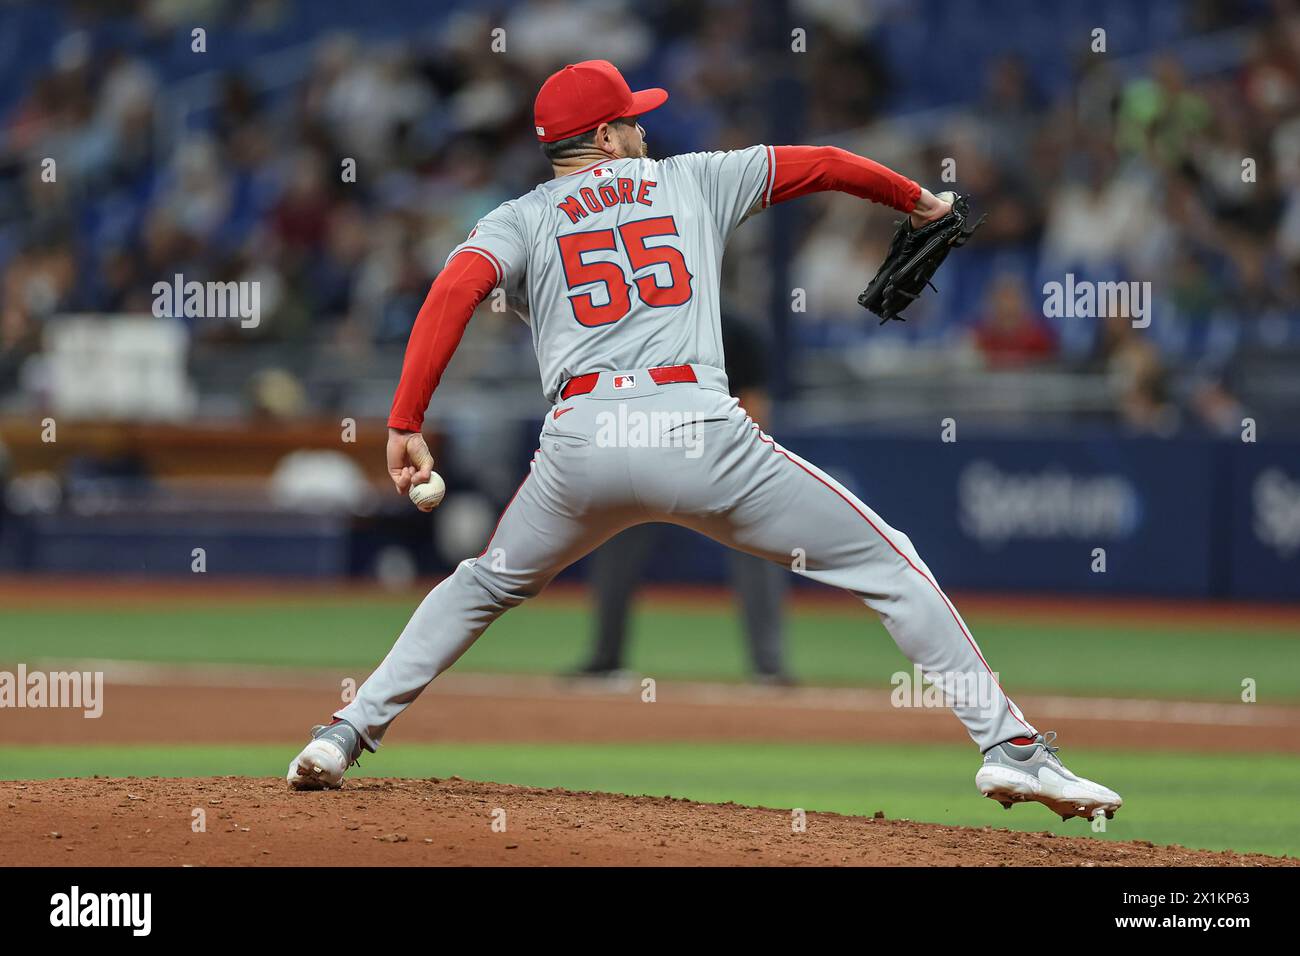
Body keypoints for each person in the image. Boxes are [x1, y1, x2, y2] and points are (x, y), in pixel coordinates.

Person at [288, 60, 1122, 823]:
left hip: (579, 440)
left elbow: (454, 289)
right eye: (633, 119)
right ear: (609, 135)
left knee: (480, 584)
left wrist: (404, 421)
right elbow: (826, 161)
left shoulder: (521, 217)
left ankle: (343, 731)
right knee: (889, 562)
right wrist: (921, 202)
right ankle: (1013, 752)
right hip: (696, 429)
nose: (645, 128)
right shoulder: (690, 179)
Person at [573, 316, 791, 684]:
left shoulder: (735, 329)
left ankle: (768, 666)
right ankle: (605, 659)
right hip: (652, 454)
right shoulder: (645, 325)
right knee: (616, 543)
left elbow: (755, 412)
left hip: (713, 460)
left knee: (758, 543)